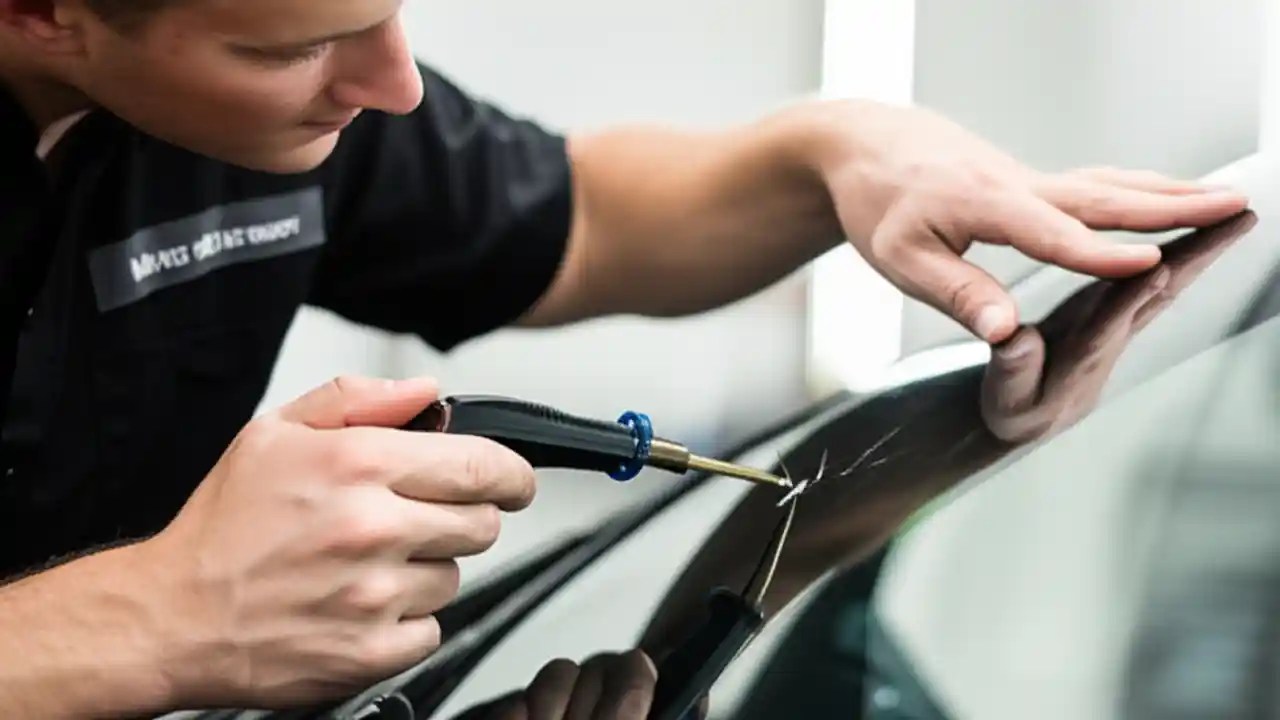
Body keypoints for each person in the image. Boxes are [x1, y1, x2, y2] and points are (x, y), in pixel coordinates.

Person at [0, 0, 1249, 717]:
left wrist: (831, 153)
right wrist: (159, 611)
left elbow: (583, 220)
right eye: (293, 49)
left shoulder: (255, 84)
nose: (389, 84)